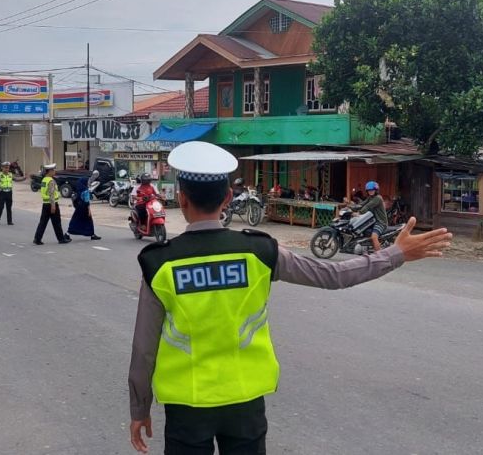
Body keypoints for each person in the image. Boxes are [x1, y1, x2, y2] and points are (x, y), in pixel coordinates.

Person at [128, 141, 452, 455]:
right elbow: (334, 276)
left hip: (188, 406)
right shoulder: (261, 251)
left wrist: (139, 409)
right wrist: (396, 253)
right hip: (246, 402)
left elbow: (144, 351)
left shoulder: (159, 263)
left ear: (182, 199)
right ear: (228, 197)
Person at [33, 163, 71, 245]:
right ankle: (61, 239)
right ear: (49, 171)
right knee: (57, 222)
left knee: (42, 222)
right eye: (53, 170)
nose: (54, 171)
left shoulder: (44, 180)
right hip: (52, 204)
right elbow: (51, 194)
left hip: (45, 204)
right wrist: (53, 206)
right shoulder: (51, 181)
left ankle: (37, 238)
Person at [358, 180, 389, 252]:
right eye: (369, 190)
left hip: (381, 222)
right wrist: (351, 207)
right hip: (372, 221)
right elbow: (362, 204)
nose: (370, 191)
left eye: (372, 190)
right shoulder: (370, 198)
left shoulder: (378, 198)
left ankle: (379, 255)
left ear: (376, 190)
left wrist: (359, 212)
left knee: (374, 237)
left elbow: (368, 206)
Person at [0, 161, 14, 225]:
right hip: (2, 192)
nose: (7, 169)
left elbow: (16, 179)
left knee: (9, 207)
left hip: (9, 192)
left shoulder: (10, 174)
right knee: (0, 207)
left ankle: (9, 221)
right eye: (5, 168)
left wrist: (24, 178)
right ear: (2, 168)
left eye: (8, 168)